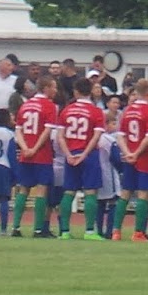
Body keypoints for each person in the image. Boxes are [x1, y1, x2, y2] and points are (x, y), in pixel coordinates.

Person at [57, 78, 107, 240]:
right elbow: (96, 136)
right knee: (90, 191)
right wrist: (84, 154)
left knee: (69, 191)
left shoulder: (66, 110)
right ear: (91, 91)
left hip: (71, 153)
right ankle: (90, 231)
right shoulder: (96, 111)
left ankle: (64, 231)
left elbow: (60, 137)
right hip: (89, 154)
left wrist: (69, 155)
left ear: (75, 91)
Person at [12, 76, 61, 237]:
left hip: (25, 154)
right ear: (45, 88)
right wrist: (34, 148)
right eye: (53, 87)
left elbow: (18, 130)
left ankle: (16, 228)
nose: (55, 90)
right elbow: (47, 131)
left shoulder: (25, 105)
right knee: (41, 190)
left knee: (23, 189)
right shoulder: (50, 106)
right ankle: (38, 229)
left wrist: (25, 148)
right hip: (41, 154)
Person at [113, 79, 148, 242]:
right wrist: (137, 153)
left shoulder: (127, 110)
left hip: (128, 158)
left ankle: (116, 231)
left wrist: (128, 153)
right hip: (145, 158)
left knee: (125, 193)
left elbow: (120, 135)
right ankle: (138, 232)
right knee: (143, 194)